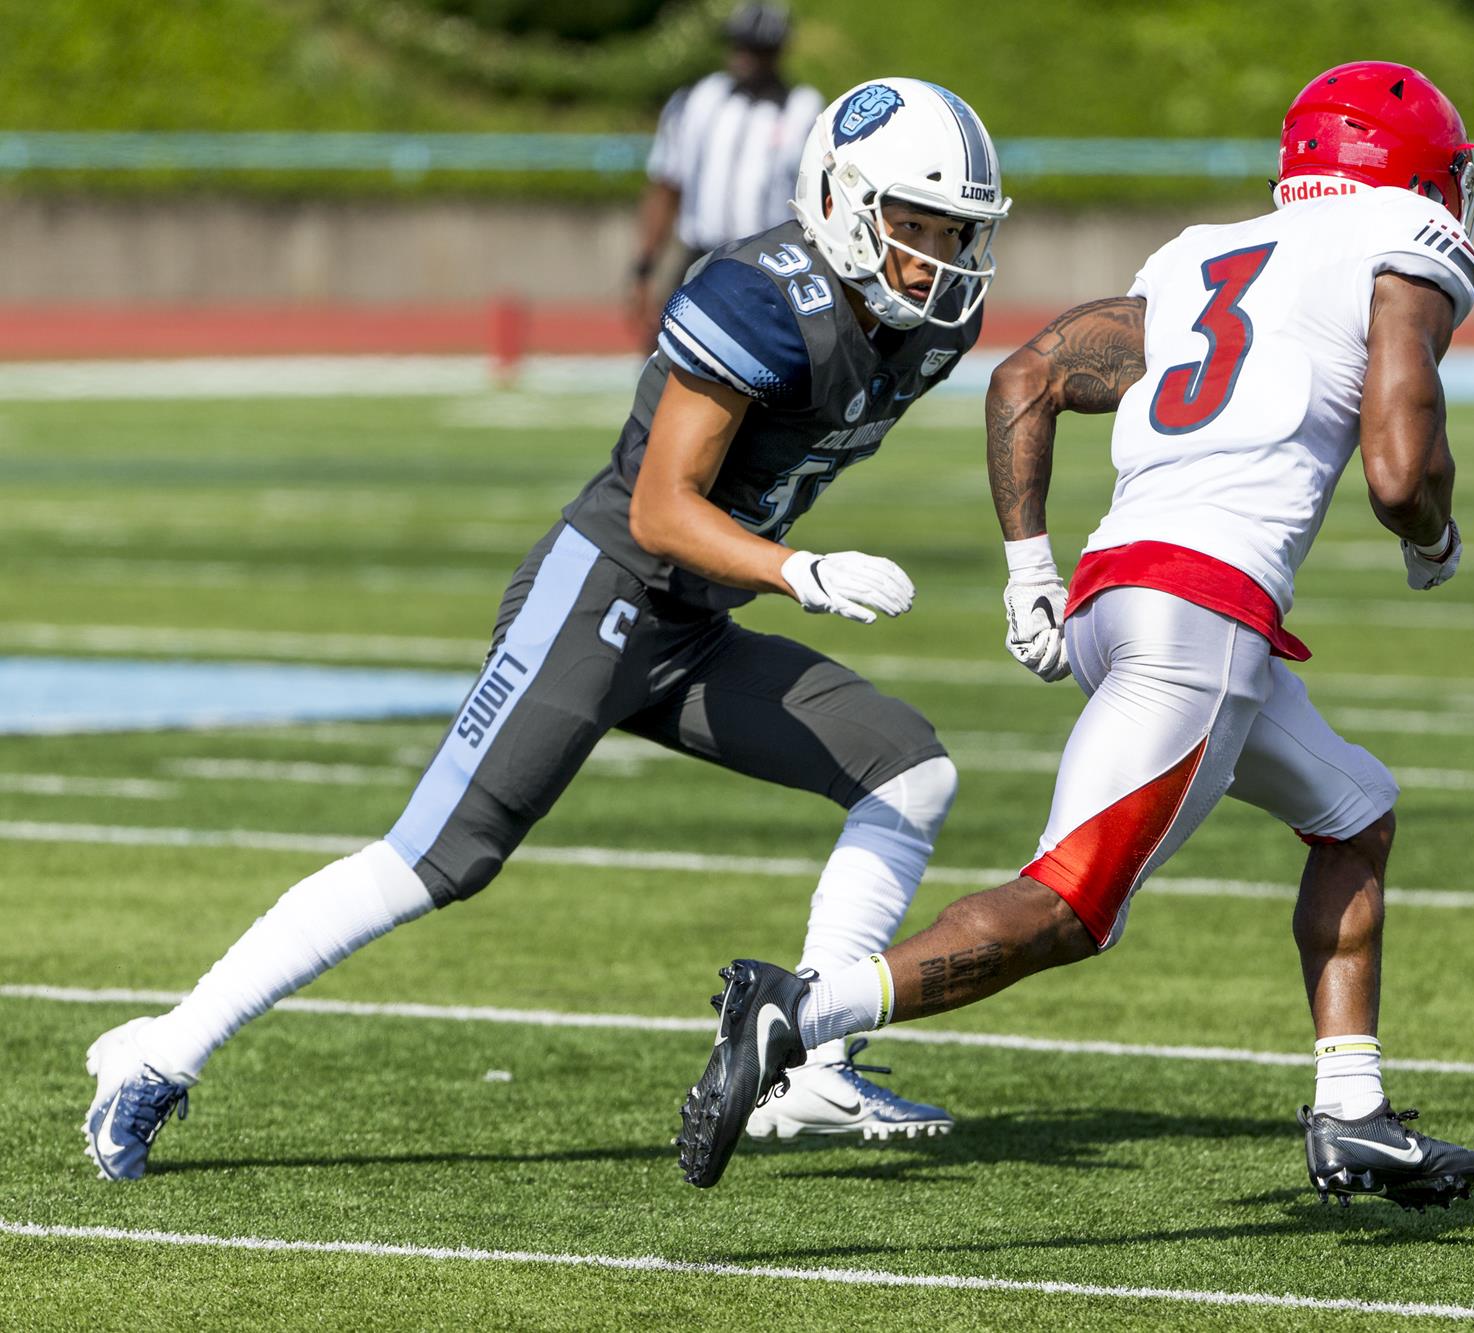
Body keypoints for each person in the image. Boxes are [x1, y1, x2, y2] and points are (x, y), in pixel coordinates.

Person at [82, 78, 1012, 1180]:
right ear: (842, 200)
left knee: (909, 772)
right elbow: (658, 509)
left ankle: (810, 1062)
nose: (935, 256)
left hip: (696, 621)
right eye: (912, 224)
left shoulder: (931, 330)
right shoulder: (760, 299)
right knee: (438, 858)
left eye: (952, 231)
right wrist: (797, 569)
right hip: (604, 594)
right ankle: (156, 1058)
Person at [679, 62, 1474, 1210]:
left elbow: (1027, 373)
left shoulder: (1206, 253)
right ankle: (798, 1011)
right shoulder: (1403, 236)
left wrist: (1031, 571)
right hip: (1200, 615)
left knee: (1353, 812)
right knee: (1066, 907)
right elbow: (1400, 469)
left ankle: (1352, 1114)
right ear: (1416, 178)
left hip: (1117, 597)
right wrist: (1433, 537)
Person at [626, 3, 825, 350]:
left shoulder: (805, 109)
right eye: (740, 45)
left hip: (769, 267)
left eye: (759, 48)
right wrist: (644, 269)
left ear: (778, 51)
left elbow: (821, 202)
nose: (746, 57)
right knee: (666, 354)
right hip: (701, 259)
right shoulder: (697, 100)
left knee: (767, 361)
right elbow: (667, 186)